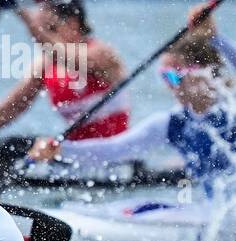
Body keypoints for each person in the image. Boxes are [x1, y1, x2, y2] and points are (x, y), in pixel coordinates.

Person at [28, 32, 235, 219]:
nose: (170, 85)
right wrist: (60, 150)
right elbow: (114, 150)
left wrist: (216, 37)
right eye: (165, 76)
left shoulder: (231, 109)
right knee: (132, 208)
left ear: (204, 73)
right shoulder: (172, 123)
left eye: (174, 75)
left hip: (225, 215)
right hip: (217, 212)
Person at [0, 0, 128, 141]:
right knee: (2, 149)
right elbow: (2, 115)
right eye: (40, 32)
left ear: (73, 23)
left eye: (48, 29)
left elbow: (67, 57)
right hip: (76, 154)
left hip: (113, 153)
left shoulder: (102, 54)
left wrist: (25, 16)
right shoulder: (45, 65)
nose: (39, 39)